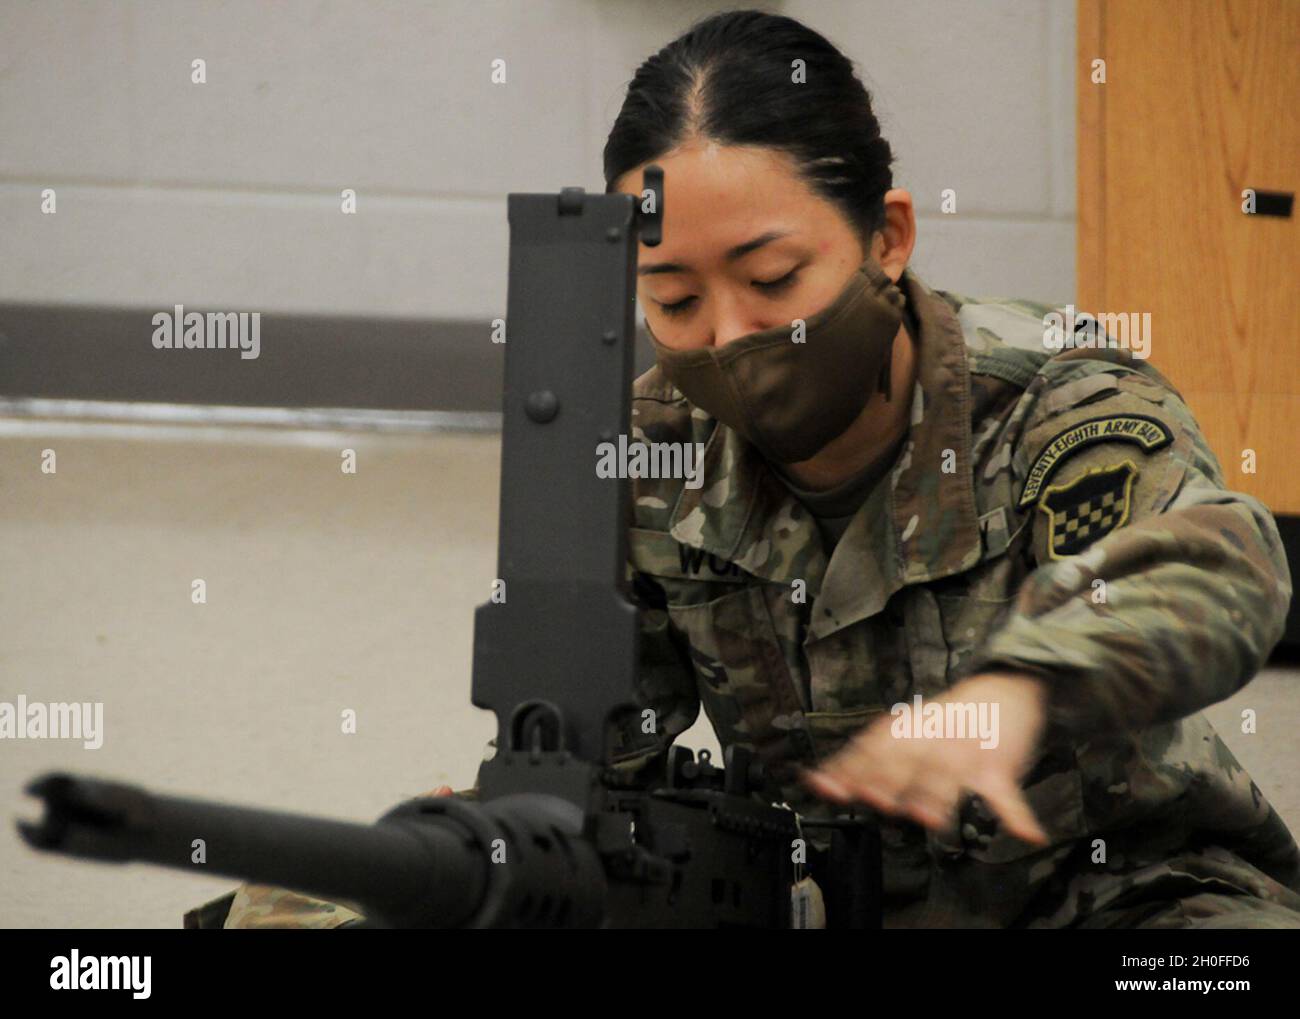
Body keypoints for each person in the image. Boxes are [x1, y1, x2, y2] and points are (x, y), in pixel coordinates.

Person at [209, 9, 1300, 928]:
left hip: (1115, 892)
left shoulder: (1056, 397)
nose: (728, 335)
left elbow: (1216, 567)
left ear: (886, 236)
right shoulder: (643, 450)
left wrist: (1019, 690)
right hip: (799, 892)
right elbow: (604, 767)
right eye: (673, 299)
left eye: (772, 276)